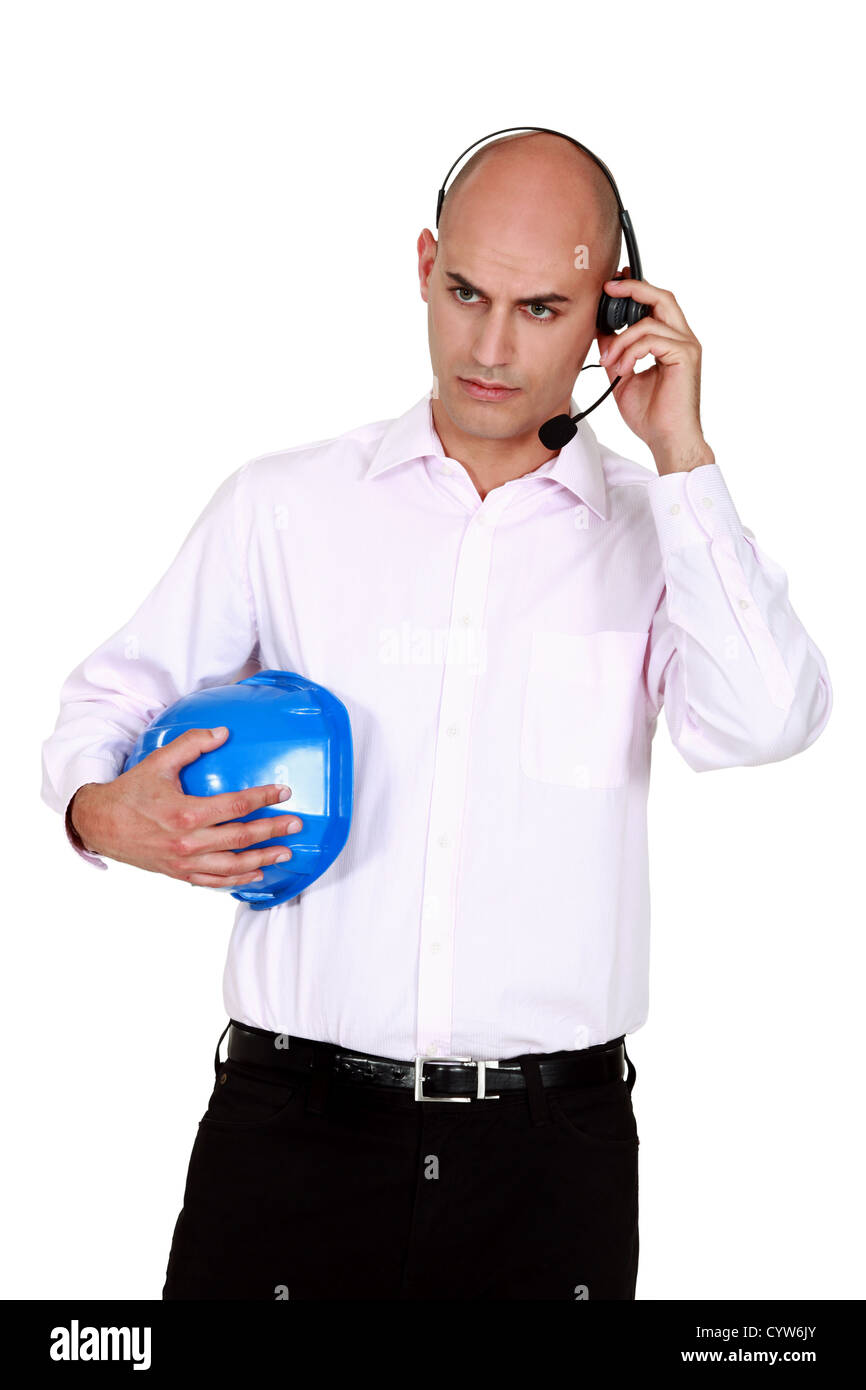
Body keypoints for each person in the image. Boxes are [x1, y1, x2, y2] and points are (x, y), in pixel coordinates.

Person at [40, 130, 833, 1301]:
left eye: (541, 307)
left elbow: (766, 719)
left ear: (612, 316)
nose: (492, 346)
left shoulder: (652, 528)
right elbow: (104, 707)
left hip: (546, 1158)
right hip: (292, 1135)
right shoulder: (283, 507)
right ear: (422, 264)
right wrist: (105, 813)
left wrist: (680, 452)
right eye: (465, 292)